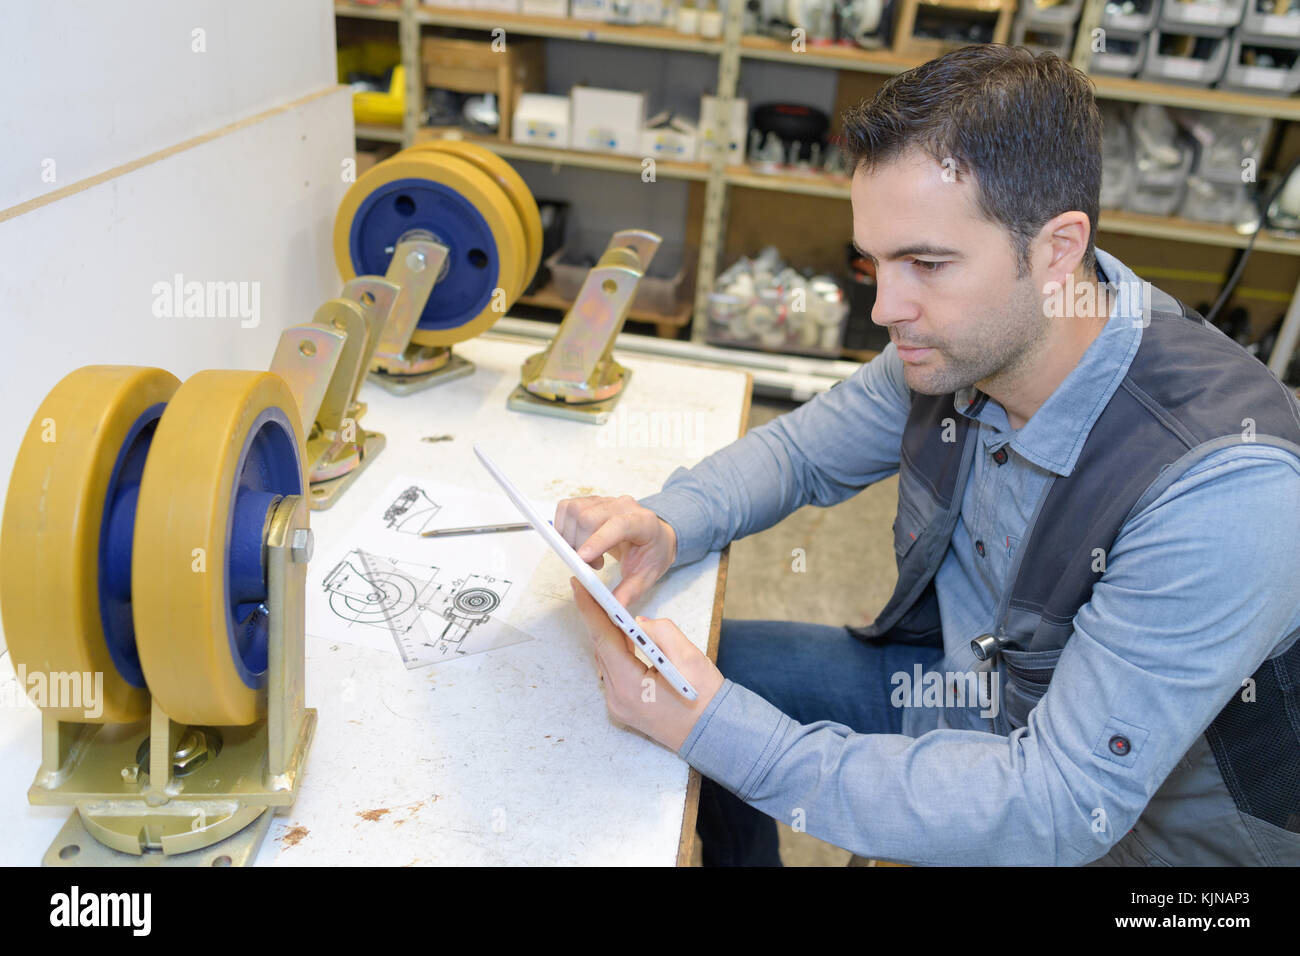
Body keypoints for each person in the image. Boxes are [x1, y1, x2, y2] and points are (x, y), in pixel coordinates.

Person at [557, 43, 1300, 866]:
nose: (884, 308)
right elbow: (802, 452)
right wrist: (664, 520)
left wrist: (730, 736)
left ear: (1058, 250)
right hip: (957, 701)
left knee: (709, 720)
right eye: (874, 262)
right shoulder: (968, 339)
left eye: (926, 264)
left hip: (1139, 847)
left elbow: (1057, 806)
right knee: (668, 677)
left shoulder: (1225, 493)